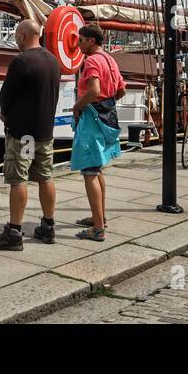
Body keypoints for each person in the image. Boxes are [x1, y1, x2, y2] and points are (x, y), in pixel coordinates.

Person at [0, 19, 61, 251]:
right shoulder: (52, 61)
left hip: (23, 133)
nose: (16, 39)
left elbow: (6, 94)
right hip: (45, 132)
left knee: (19, 178)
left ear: (25, 35)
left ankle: (14, 232)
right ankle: (48, 226)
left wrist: (5, 114)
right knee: (46, 176)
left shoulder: (21, 62)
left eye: (17, 35)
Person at [70, 24, 124, 241]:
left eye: (81, 40)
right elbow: (121, 90)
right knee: (98, 168)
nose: (78, 44)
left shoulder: (92, 61)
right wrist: (107, 104)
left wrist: (78, 106)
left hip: (92, 119)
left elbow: (94, 91)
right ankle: (98, 216)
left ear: (91, 41)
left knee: (90, 171)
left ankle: (98, 228)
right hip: (107, 117)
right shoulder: (110, 59)